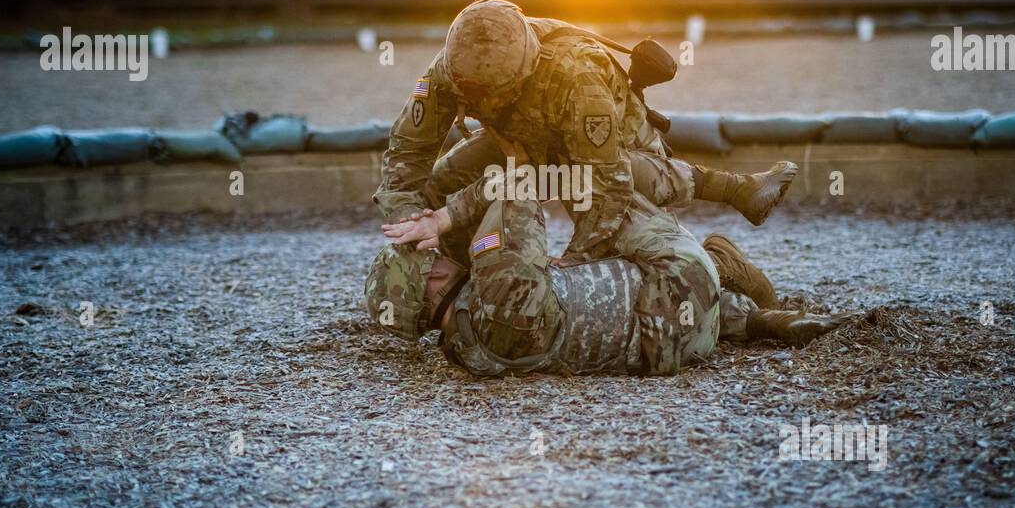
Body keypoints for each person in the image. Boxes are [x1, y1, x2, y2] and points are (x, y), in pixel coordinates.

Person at [373, 0, 798, 263]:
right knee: (446, 181)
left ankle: (726, 266)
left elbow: (607, 182)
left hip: (610, 151)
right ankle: (473, 281)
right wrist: (406, 225)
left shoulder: (575, 76)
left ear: (524, 73)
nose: (485, 102)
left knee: (630, 247)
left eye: (495, 95)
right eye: (476, 95)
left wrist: (577, 258)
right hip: (528, 142)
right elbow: (407, 153)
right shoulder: (450, 69)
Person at [365, 192, 856, 377]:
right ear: (430, 279)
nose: (439, 255)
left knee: (611, 295)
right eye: (431, 258)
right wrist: (448, 219)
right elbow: (516, 192)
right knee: (605, 192)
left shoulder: (465, 349)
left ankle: (760, 321)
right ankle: (719, 263)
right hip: (682, 279)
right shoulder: (495, 285)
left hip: (671, 352)